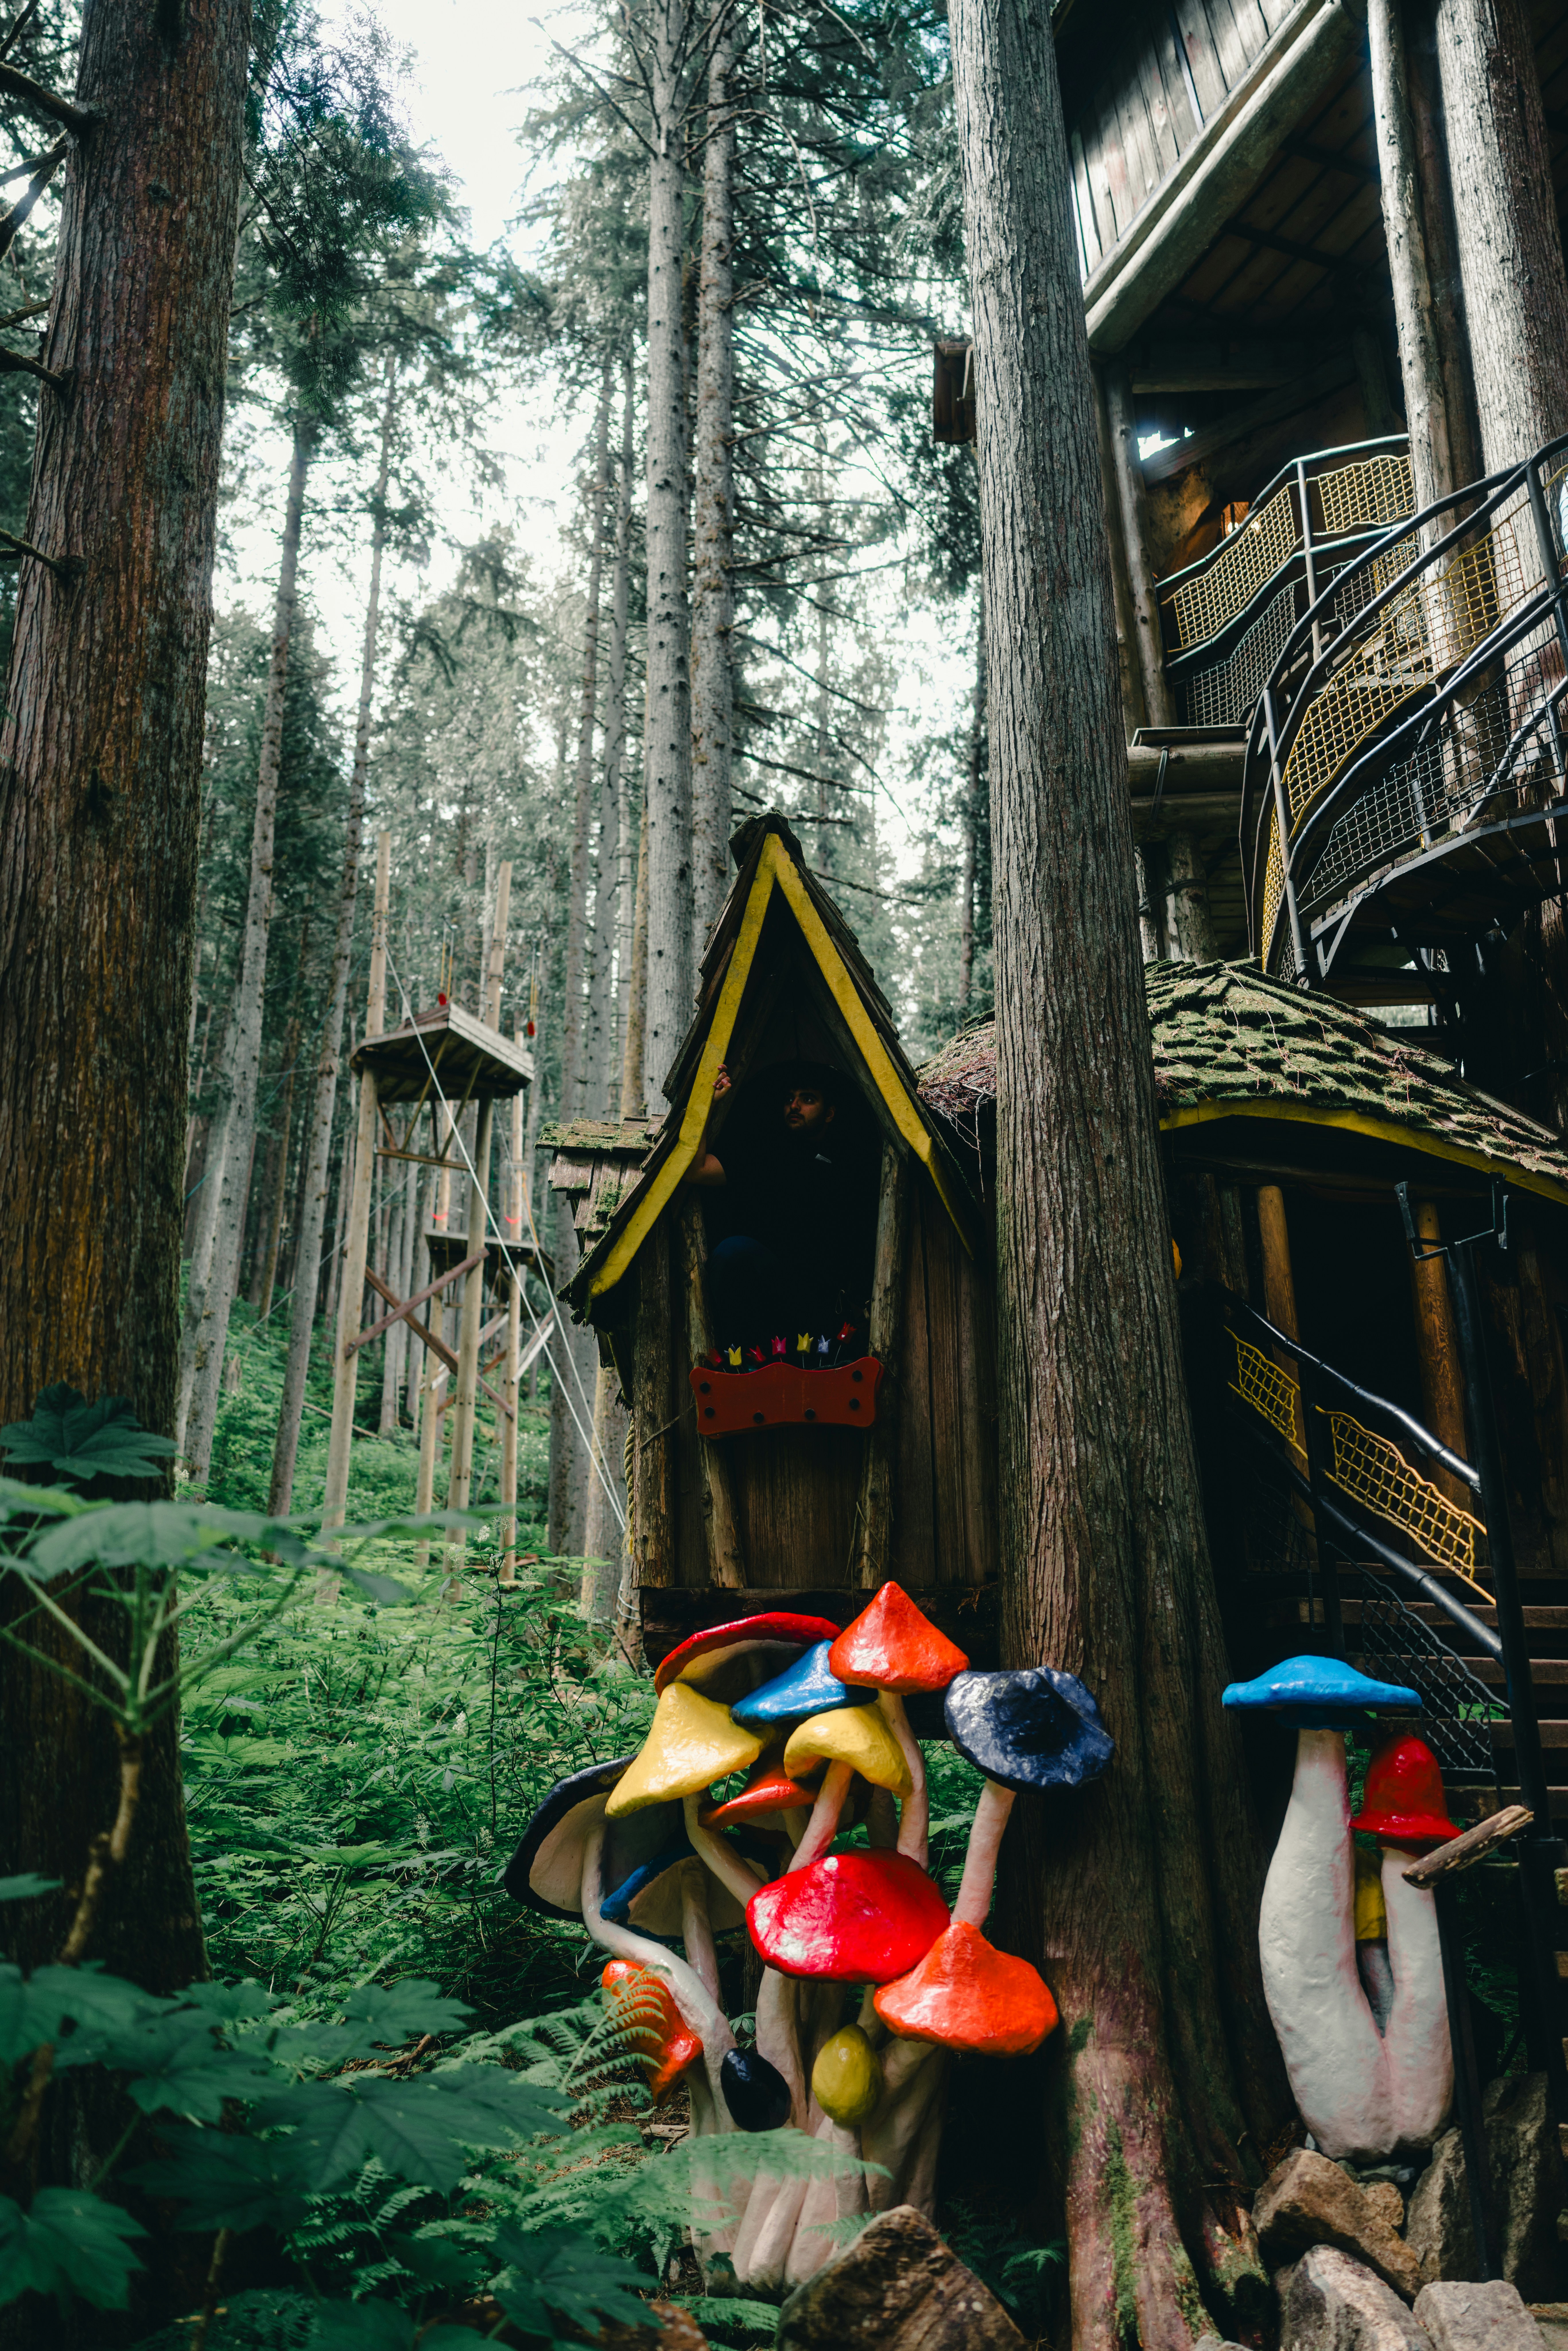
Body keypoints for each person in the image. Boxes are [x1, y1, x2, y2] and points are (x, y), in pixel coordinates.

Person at [684, 1060, 877, 1353]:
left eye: (808, 1099)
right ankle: (746, 1367)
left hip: (824, 1313)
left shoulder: (852, 1166)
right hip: (772, 1298)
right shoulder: (764, 1155)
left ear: (830, 1113)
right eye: (789, 1099)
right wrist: (704, 1103)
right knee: (733, 1253)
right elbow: (696, 1169)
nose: (795, 1105)